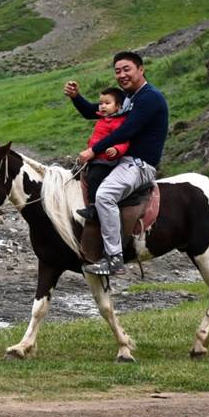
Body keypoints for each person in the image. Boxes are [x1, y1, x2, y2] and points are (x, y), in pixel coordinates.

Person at [63, 51, 169, 276]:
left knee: (105, 195)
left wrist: (93, 150)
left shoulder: (149, 98)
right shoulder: (129, 99)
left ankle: (114, 258)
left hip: (139, 164)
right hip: (121, 161)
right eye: (118, 71)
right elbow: (94, 111)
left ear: (141, 69)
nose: (122, 74)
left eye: (127, 69)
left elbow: (126, 131)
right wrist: (76, 97)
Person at [74, 88, 128, 259]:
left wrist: (116, 149)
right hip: (95, 156)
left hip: (106, 160)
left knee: (95, 177)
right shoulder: (103, 118)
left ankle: (93, 208)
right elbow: (89, 111)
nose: (102, 106)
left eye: (107, 103)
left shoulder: (119, 122)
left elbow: (125, 140)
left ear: (118, 106)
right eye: (101, 103)